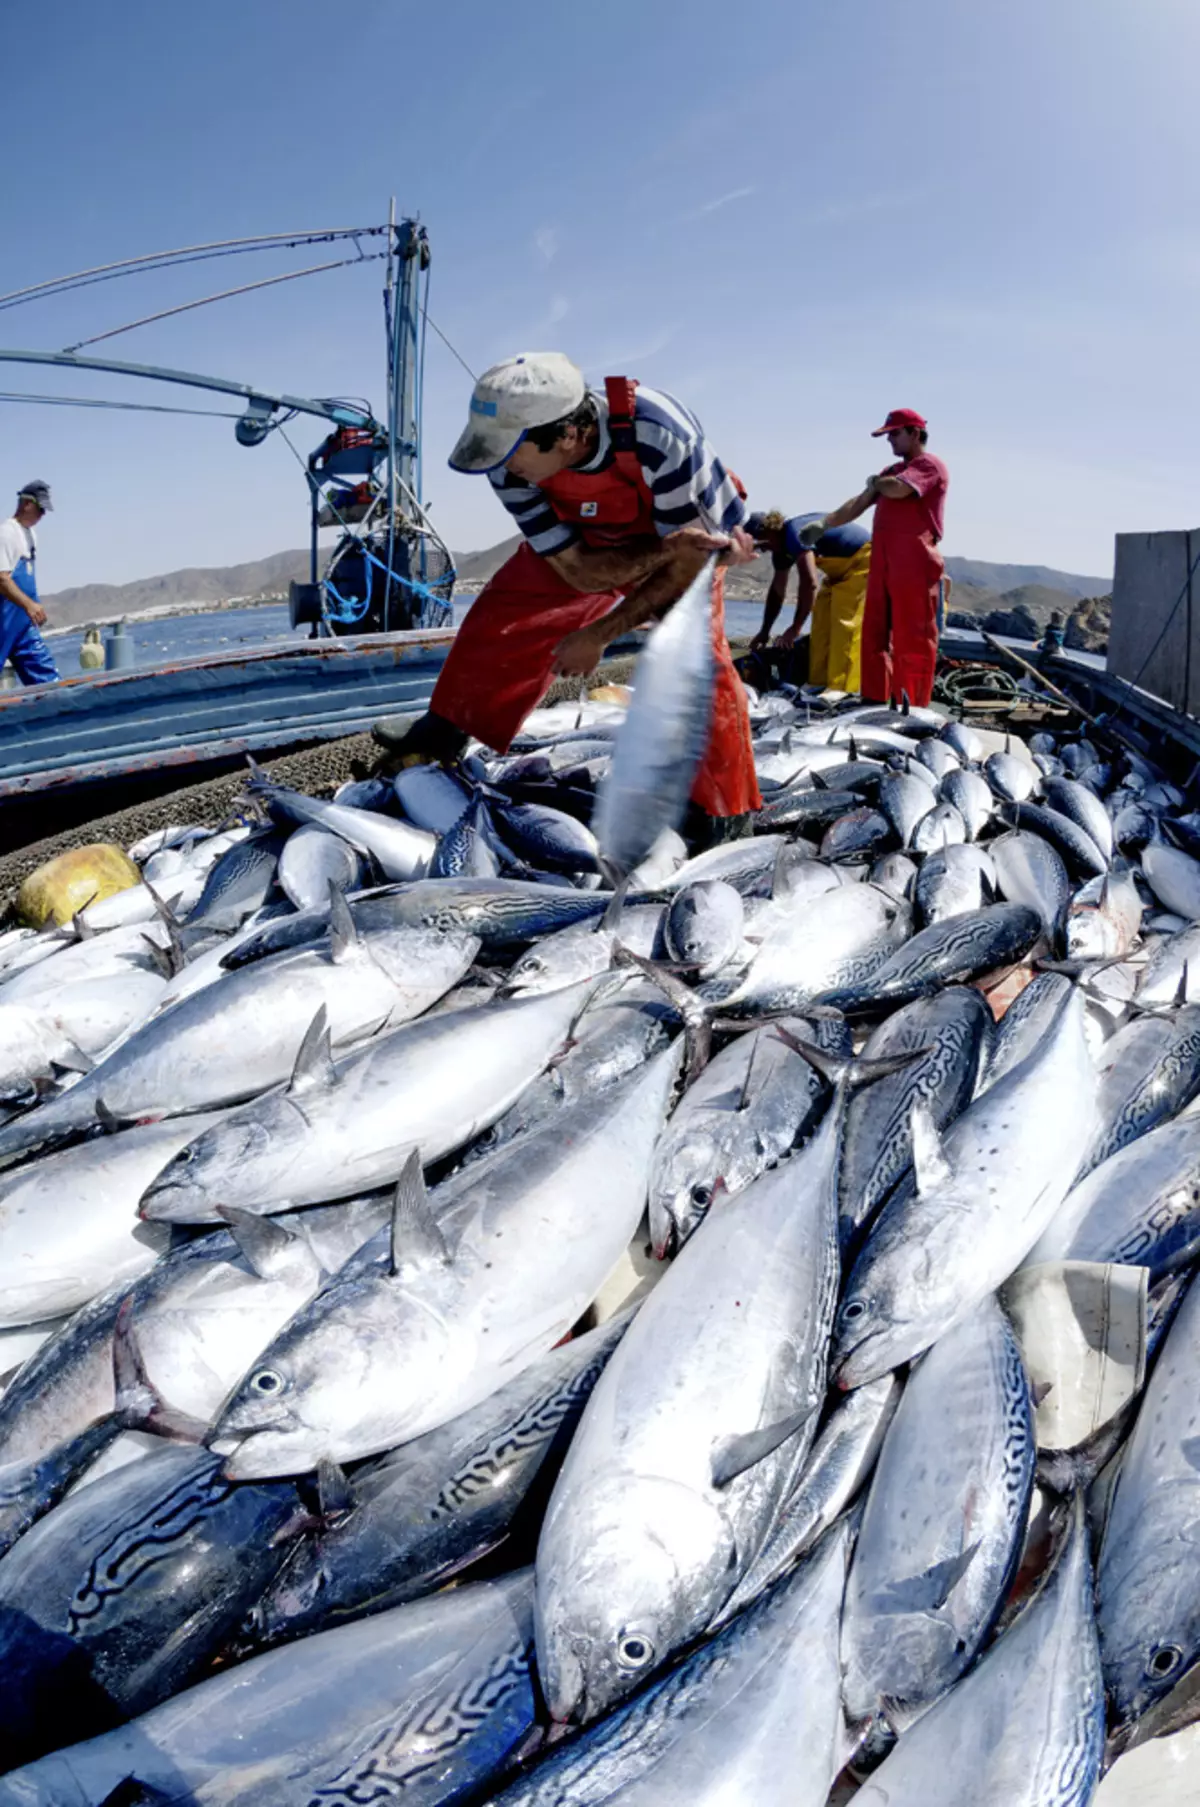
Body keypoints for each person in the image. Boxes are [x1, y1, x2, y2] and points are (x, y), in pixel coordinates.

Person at [384, 353, 762, 837]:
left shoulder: (660, 436)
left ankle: (725, 812)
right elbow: (576, 569)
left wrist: (600, 635)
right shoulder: (505, 467)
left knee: (697, 662)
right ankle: (447, 728)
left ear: (567, 435)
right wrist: (640, 570)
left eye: (512, 452)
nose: (502, 467)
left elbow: (690, 562)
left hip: (687, 544)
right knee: (504, 612)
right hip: (592, 545)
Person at [809, 409, 949, 707]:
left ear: (915, 433)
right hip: (883, 561)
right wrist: (826, 523)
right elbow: (860, 502)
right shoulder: (888, 472)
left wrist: (876, 483)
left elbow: (898, 490)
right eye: (887, 435)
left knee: (913, 637)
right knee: (873, 631)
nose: (890, 441)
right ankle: (873, 699)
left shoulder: (929, 466)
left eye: (894, 434)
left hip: (915, 562)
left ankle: (911, 708)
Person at [746, 509, 872, 692]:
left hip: (863, 559)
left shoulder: (795, 533)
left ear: (771, 530)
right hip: (838, 573)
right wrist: (764, 632)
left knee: (844, 623)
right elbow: (777, 592)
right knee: (821, 623)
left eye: (761, 541)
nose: (763, 549)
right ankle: (817, 684)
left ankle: (842, 690)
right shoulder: (780, 551)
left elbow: (810, 583)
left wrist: (795, 628)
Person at [0, 480, 58, 686]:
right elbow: (2, 578)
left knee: (45, 675)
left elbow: (27, 576)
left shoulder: (31, 535)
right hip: (3, 621)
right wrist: (29, 604)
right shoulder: (6, 532)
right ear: (26, 504)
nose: (42, 515)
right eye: (40, 509)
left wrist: (34, 606)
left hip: (22, 624)